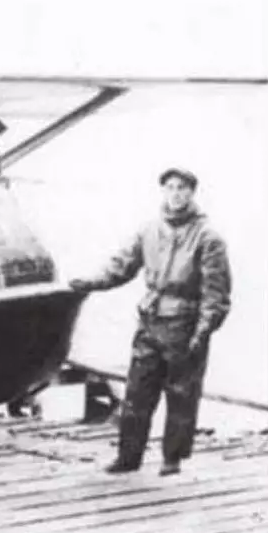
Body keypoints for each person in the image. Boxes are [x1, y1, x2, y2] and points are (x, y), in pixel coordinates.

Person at [68, 168, 232, 476]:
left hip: (184, 324)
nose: (176, 194)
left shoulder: (208, 238)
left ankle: (173, 458)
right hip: (150, 320)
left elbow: (217, 294)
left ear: (192, 193)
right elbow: (122, 267)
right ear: (163, 191)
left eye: (182, 188)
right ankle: (128, 457)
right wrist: (89, 282)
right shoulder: (149, 230)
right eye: (170, 187)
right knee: (137, 392)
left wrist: (203, 330)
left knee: (182, 394)